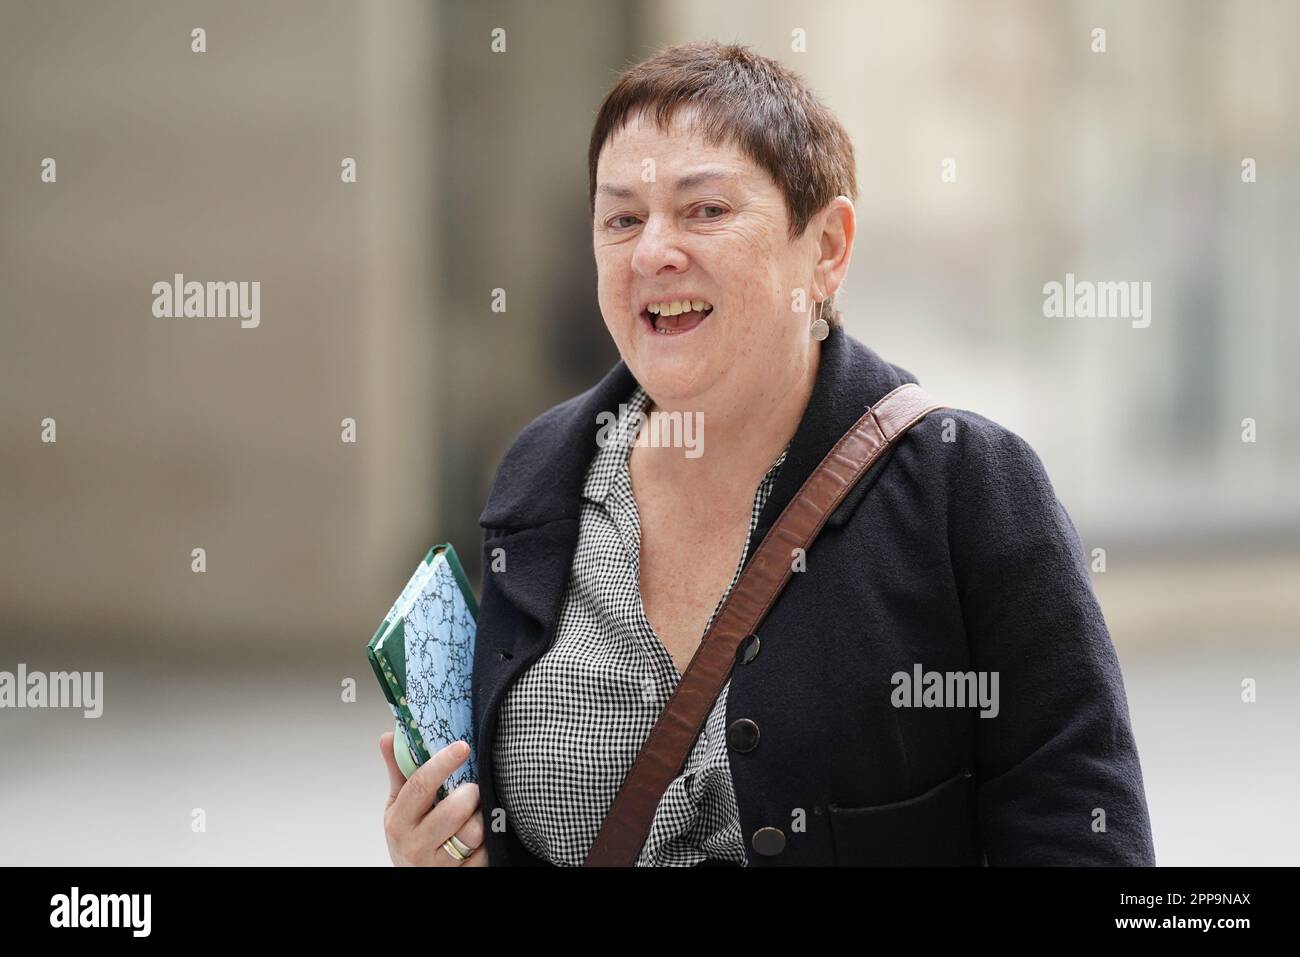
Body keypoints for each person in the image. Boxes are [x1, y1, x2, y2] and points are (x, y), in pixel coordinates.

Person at [381, 40, 1156, 867]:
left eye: (706, 210)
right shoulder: (540, 476)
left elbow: (1081, 832)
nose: (653, 252)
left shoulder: (968, 487)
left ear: (826, 247)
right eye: (622, 218)